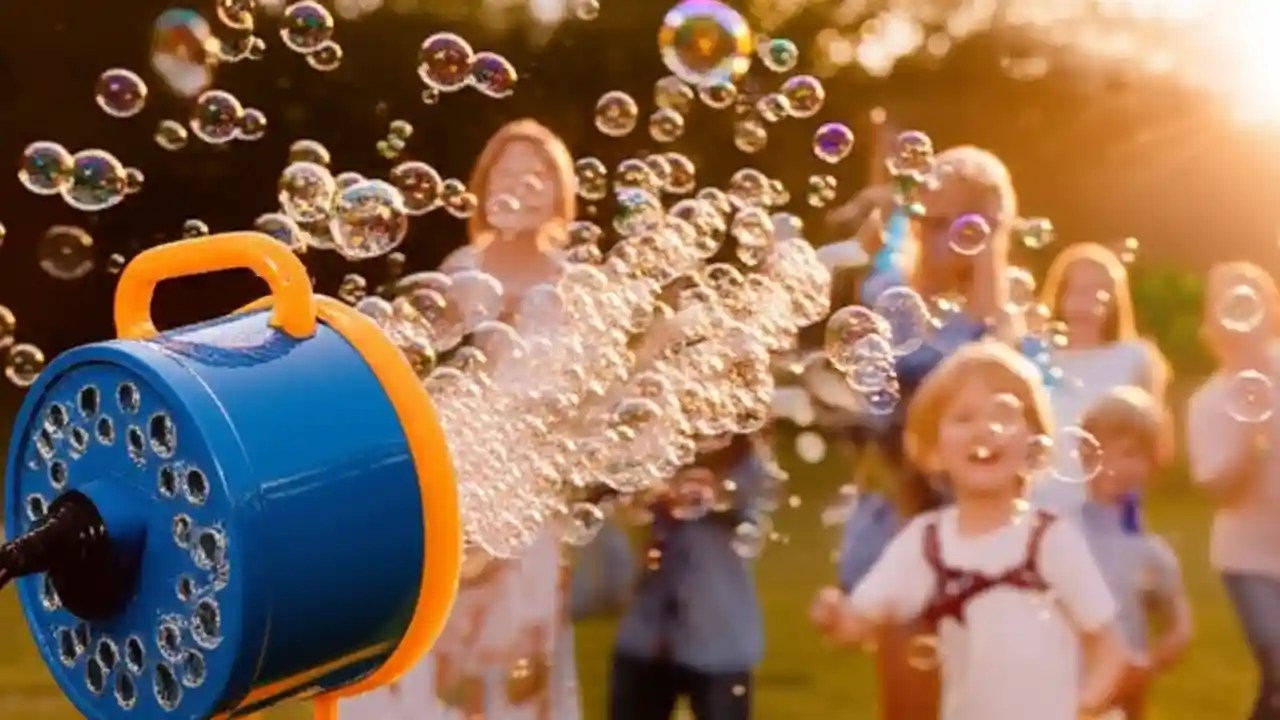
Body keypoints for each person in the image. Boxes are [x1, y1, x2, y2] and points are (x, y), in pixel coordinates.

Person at [340, 118, 580, 720]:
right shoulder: (460, 269)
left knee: (522, 646)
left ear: (560, 190)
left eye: (538, 172)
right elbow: (423, 380)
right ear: (484, 184)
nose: (522, 184)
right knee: (451, 645)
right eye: (507, 171)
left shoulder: (574, 282)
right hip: (460, 484)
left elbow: (583, 393)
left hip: (534, 492)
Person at [813, 136, 1022, 720]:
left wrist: (986, 279)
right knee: (909, 702)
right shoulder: (887, 298)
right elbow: (870, 410)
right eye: (930, 219)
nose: (939, 235)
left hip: (978, 530)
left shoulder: (1000, 323)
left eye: (963, 223)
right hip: (899, 525)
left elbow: (1001, 402)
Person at [812, 341, 1129, 720]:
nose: (984, 431)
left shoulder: (1047, 539)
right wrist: (836, 616)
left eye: (1002, 417)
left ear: (1033, 442)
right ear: (934, 448)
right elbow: (858, 622)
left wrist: (1086, 706)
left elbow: (1109, 648)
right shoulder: (925, 543)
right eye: (963, 418)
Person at [609, 433, 769, 720]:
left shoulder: (745, 461)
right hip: (646, 633)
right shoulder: (653, 447)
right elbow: (622, 502)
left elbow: (742, 498)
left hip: (719, 637)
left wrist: (696, 490)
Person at [1188, 261, 1280, 720]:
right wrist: (1254, 439)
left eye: (1252, 298)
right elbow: (1221, 492)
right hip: (1249, 561)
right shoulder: (1207, 401)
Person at [1030, 242, 1171, 522]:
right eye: (1078, 289)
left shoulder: (1134, 356)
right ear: (1059, 294)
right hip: (1041, 502)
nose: (1086, 299)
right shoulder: (1035, 356)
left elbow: (1153, 441)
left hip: (1109, 505)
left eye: (1098, 290)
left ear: (1115, 299)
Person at [1074, 386, 1192, 720]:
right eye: (1102, 452)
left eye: (1129, 453)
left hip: (1122, 695)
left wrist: (1147, 666)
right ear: (1084, 455)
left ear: (1152, 463)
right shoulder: (1059, 531)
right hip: (1064, 682)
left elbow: (1179, 626)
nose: (1114, 464)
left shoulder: (1149, 551)